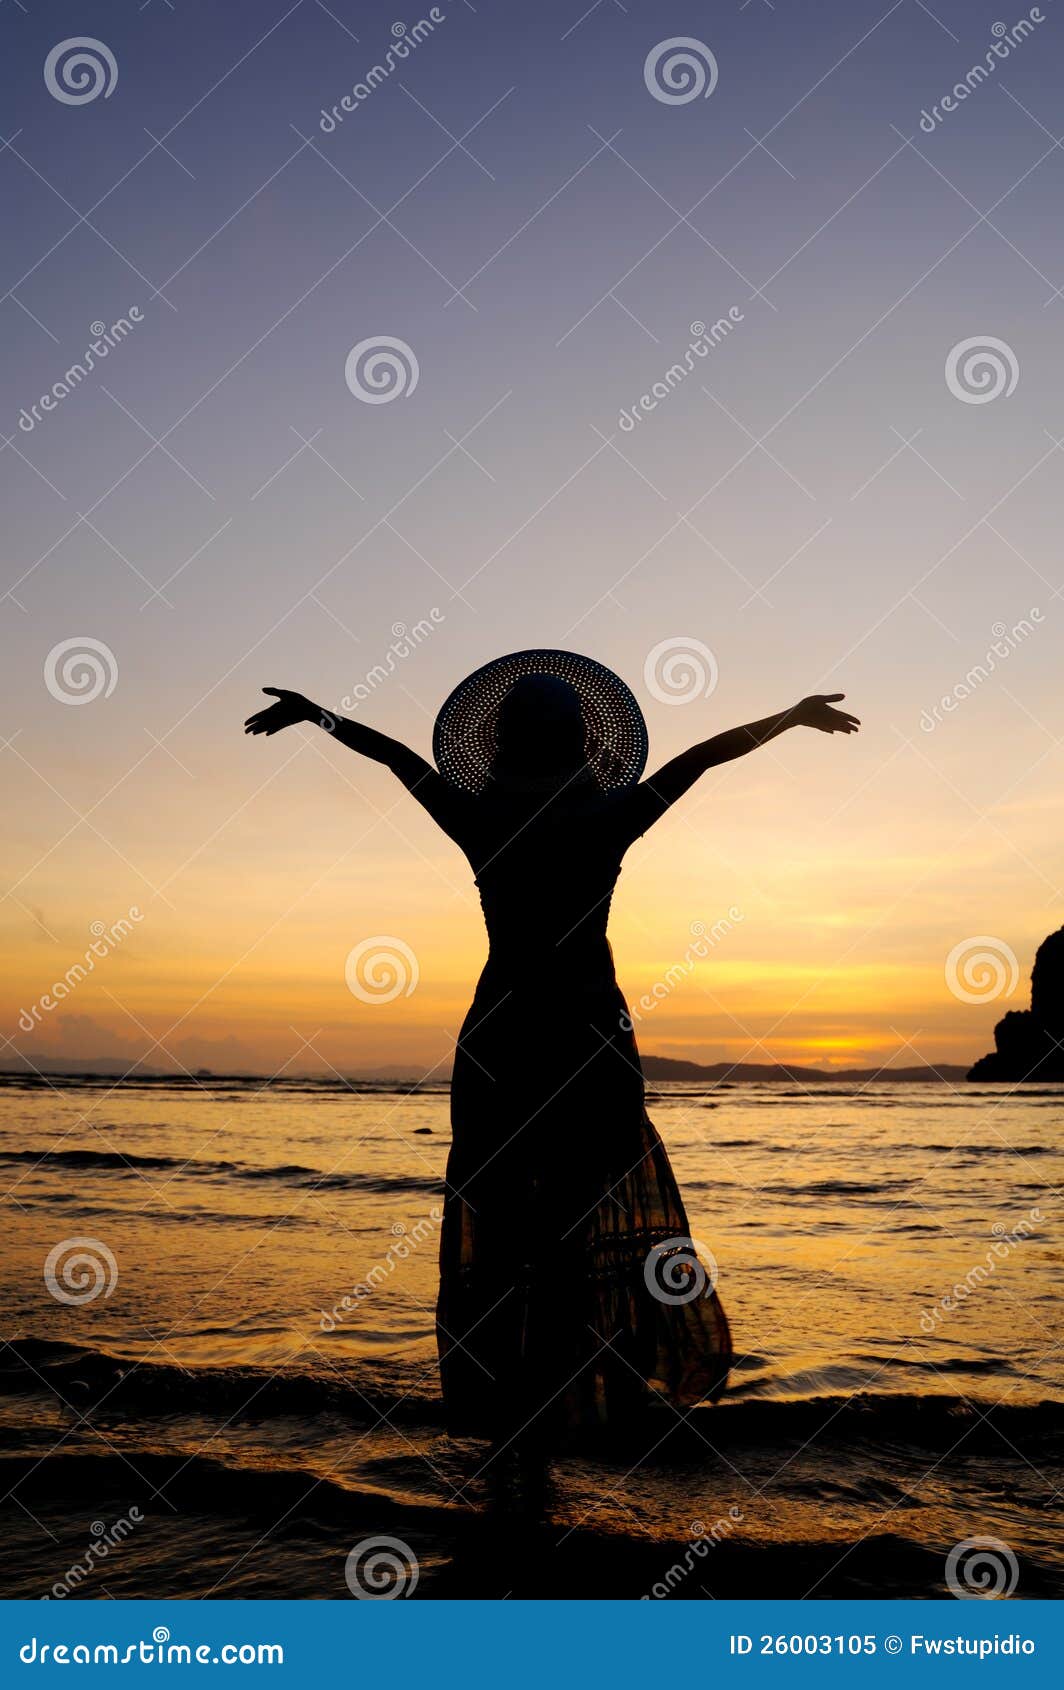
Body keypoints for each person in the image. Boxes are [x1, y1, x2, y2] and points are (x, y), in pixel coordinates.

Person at [245, 653, 859, 1471]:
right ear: (582, 746)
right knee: (571, 1241)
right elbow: (701, 760)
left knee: (500, 1242)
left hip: (501, 1040)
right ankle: (571, 1420)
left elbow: (396, 759)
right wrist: (788, 715)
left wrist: (316, 712)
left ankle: (513, 1430)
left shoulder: (481, 822)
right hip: (587, 1039)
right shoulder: (609, 822)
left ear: (499, 746)